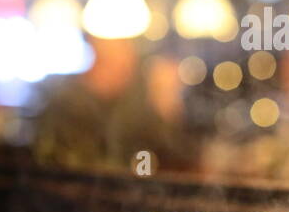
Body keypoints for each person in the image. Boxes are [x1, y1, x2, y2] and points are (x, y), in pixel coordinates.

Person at [33, 37, 190, 172]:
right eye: (121, 59)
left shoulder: (129, 104)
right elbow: (76, 170)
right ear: (99, 59)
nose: (129, 69)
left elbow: (153, 157)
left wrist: (165, 110)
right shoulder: (68, 105)